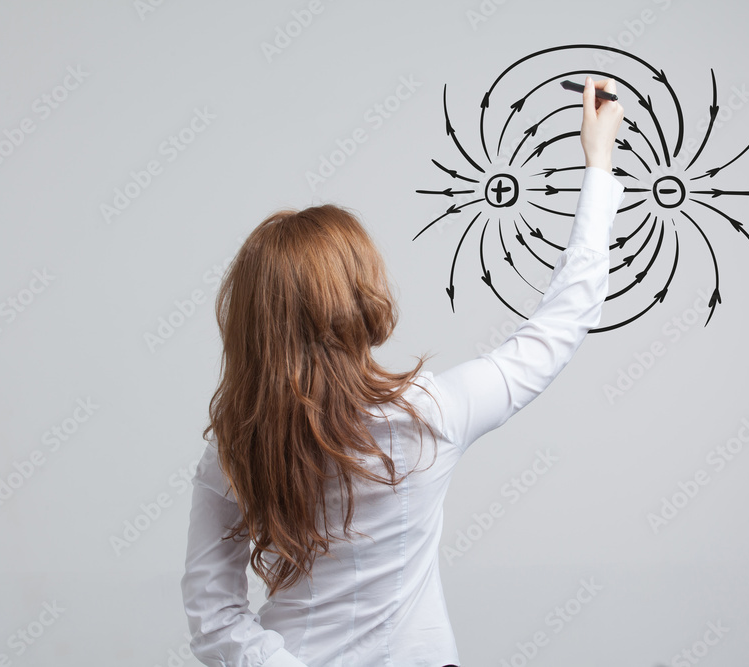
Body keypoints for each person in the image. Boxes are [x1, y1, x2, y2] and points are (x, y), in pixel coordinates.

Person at [180, 76, 625, 666]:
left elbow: (213, 618)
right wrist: (598, 165)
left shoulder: (236, 445)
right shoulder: (430, 414)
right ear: (359, 298)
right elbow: (563, 321)